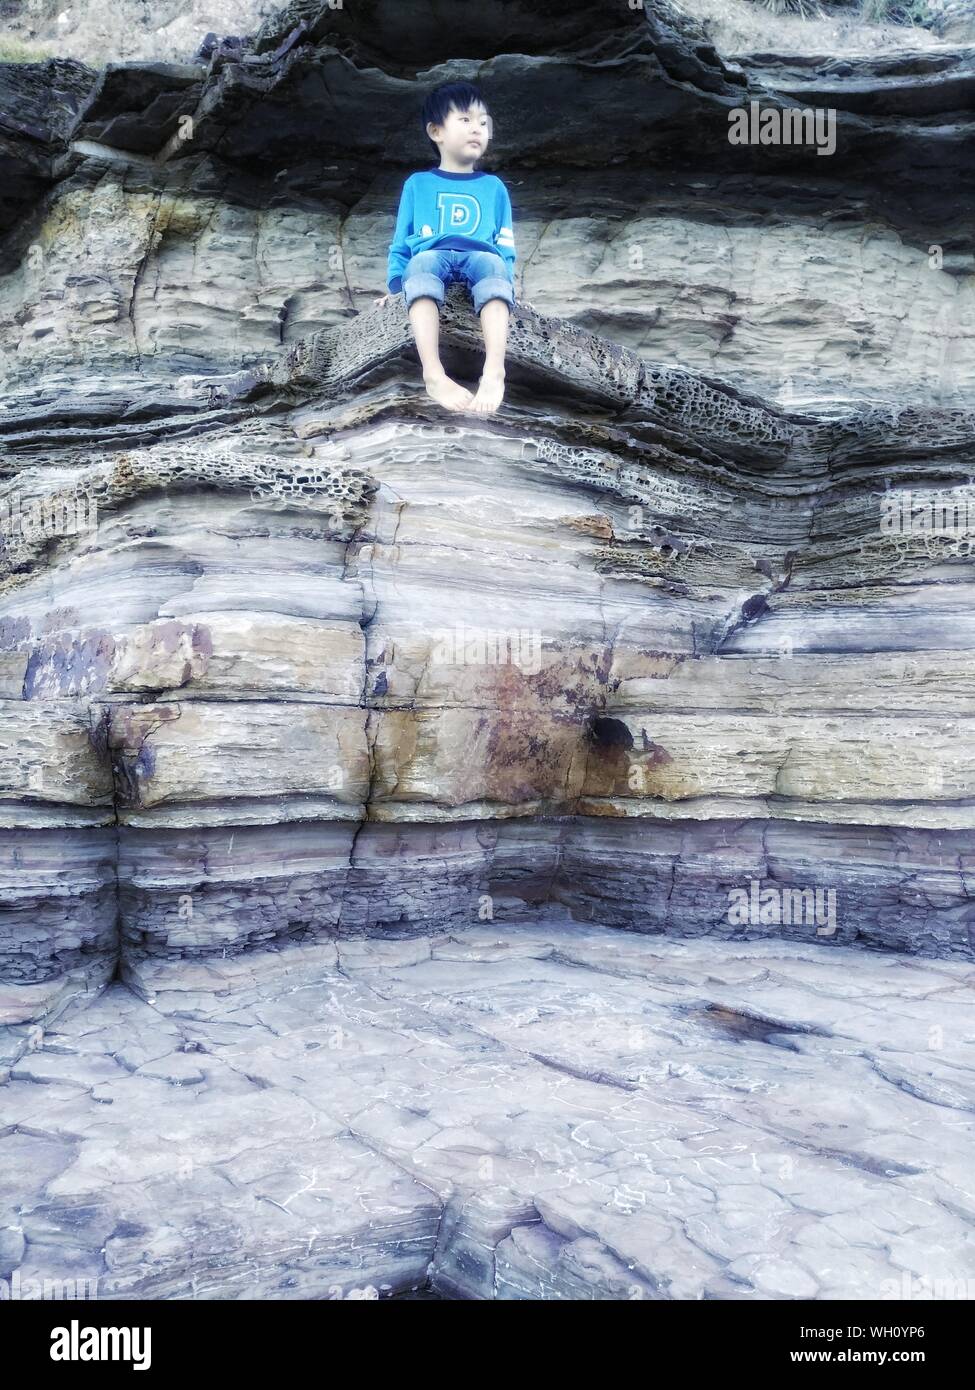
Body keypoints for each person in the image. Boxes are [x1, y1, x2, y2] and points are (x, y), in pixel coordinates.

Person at [374, 81, 516, 415]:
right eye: (465, 120)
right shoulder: (417, 184)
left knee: (493, 267)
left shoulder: (494, 187)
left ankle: (494, 371)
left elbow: (505, 244)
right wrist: (396, 286)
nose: (477, 129)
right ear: (436, 131)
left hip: (480, 256)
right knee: (422, 264)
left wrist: (508, 281)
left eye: (483, 122)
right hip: (431, 255)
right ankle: (434, 373)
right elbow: (401, 242)